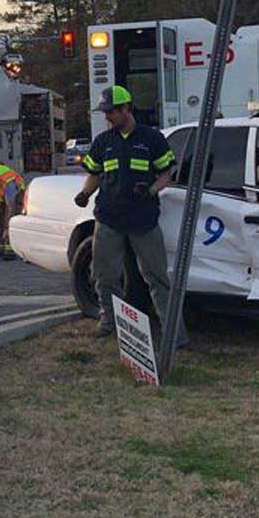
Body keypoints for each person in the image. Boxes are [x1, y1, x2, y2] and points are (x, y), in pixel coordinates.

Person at [74, 85, 188, 347]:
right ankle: (109, 323)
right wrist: (85, 193)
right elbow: (95, 173)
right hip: (109, 218)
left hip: (143, 219)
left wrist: (151, 190)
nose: (107, 117)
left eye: (111, 111)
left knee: (157, 278)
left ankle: (174, 334)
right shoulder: (103, 141)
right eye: (105, 112)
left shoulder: (152, 138)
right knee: (104, 275)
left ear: (126, 108)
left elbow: (166, 173)